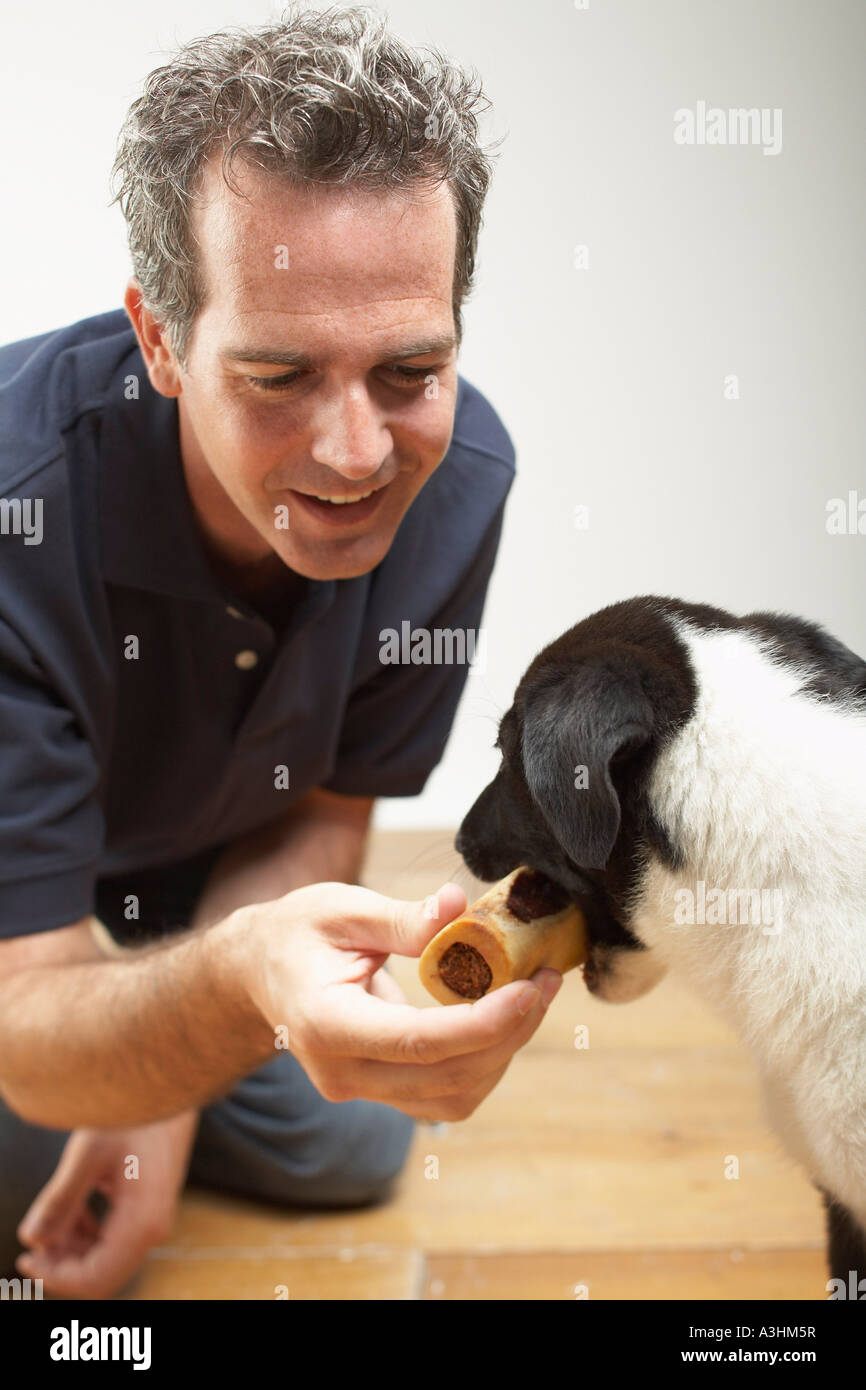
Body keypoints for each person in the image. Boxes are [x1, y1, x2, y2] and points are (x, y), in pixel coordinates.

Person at [0, 4, 562, 1298]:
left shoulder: (464, 479)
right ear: (160, 341)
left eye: (410, 369)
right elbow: (31, 1021)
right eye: (276, 377)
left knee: (353, 1139)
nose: (360, 457)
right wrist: (199, 1011)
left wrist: (160, 1080)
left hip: (170, 894)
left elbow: (320, 809)